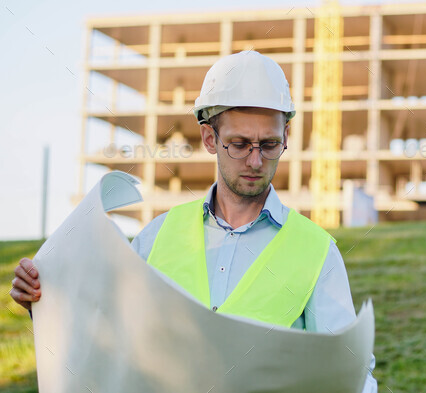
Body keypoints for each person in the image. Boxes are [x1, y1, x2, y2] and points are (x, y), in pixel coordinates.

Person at [10, 50, 377, 391]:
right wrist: (45, 305)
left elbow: (350, 375)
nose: (254, 161)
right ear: (208, 138)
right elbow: (105, 343)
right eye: (239, 144)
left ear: (286, 137)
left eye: (268, 145)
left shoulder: (316, 253)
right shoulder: (157, 236)